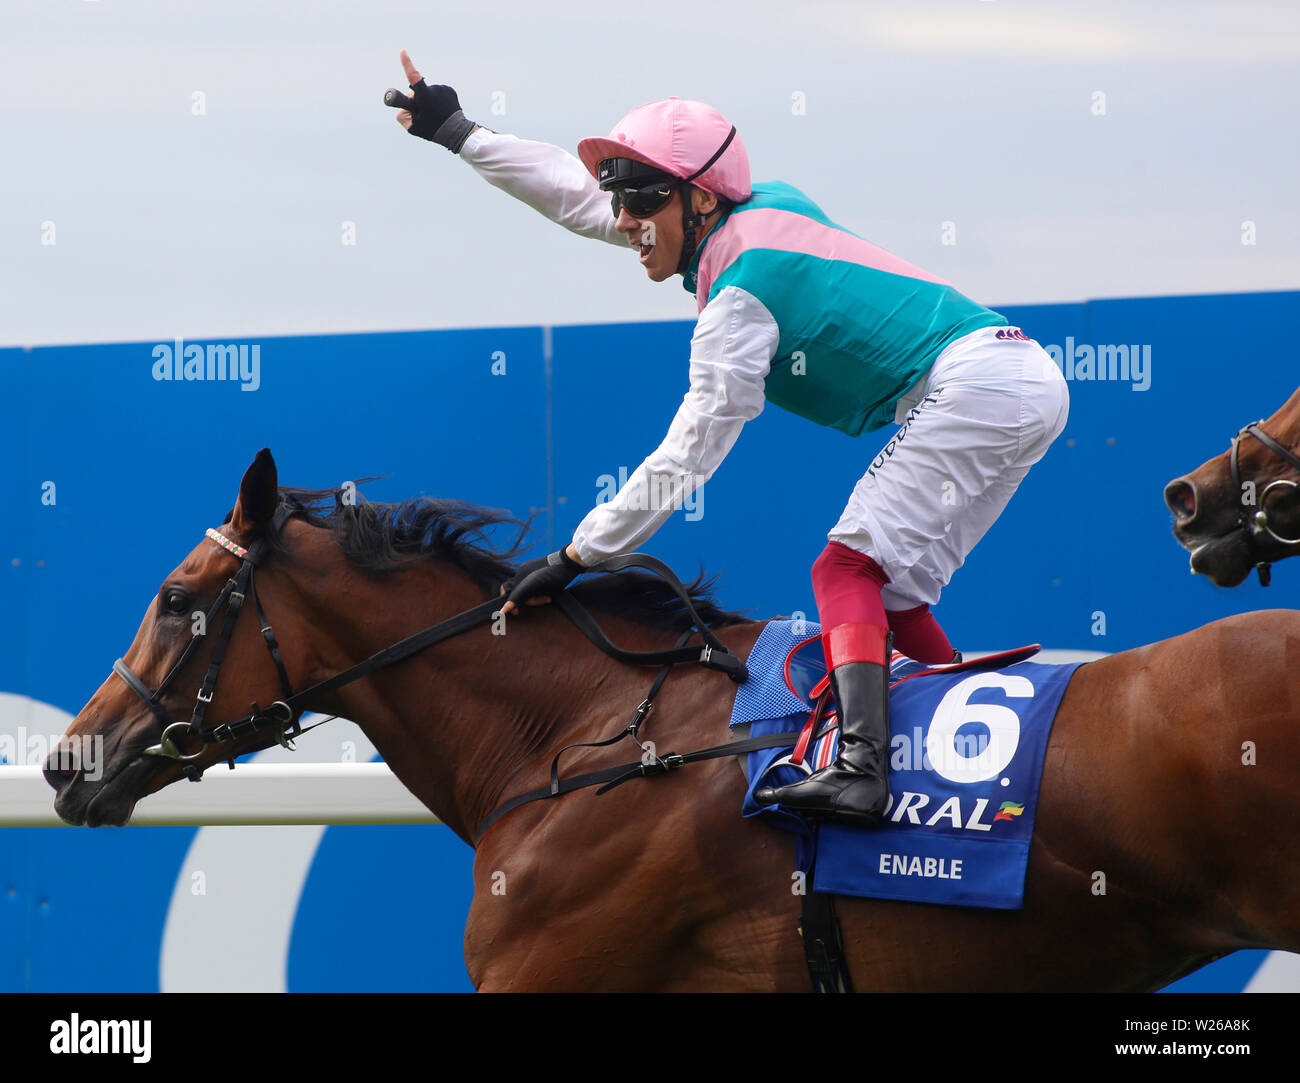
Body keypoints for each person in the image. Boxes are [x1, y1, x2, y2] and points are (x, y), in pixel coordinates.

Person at [390, 52, 1069, 828]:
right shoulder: (753, 210)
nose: (621, 220)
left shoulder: (738, 300)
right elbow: (581, 198)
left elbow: (690, 453)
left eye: (639, 199)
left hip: (979, 387)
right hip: (1017, 377)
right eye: (623, 198)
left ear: (700, 200)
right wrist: (461, 133)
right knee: (895, 589)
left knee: (844, 567)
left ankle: (862, 771)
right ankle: (982, 743)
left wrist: (580, 554)